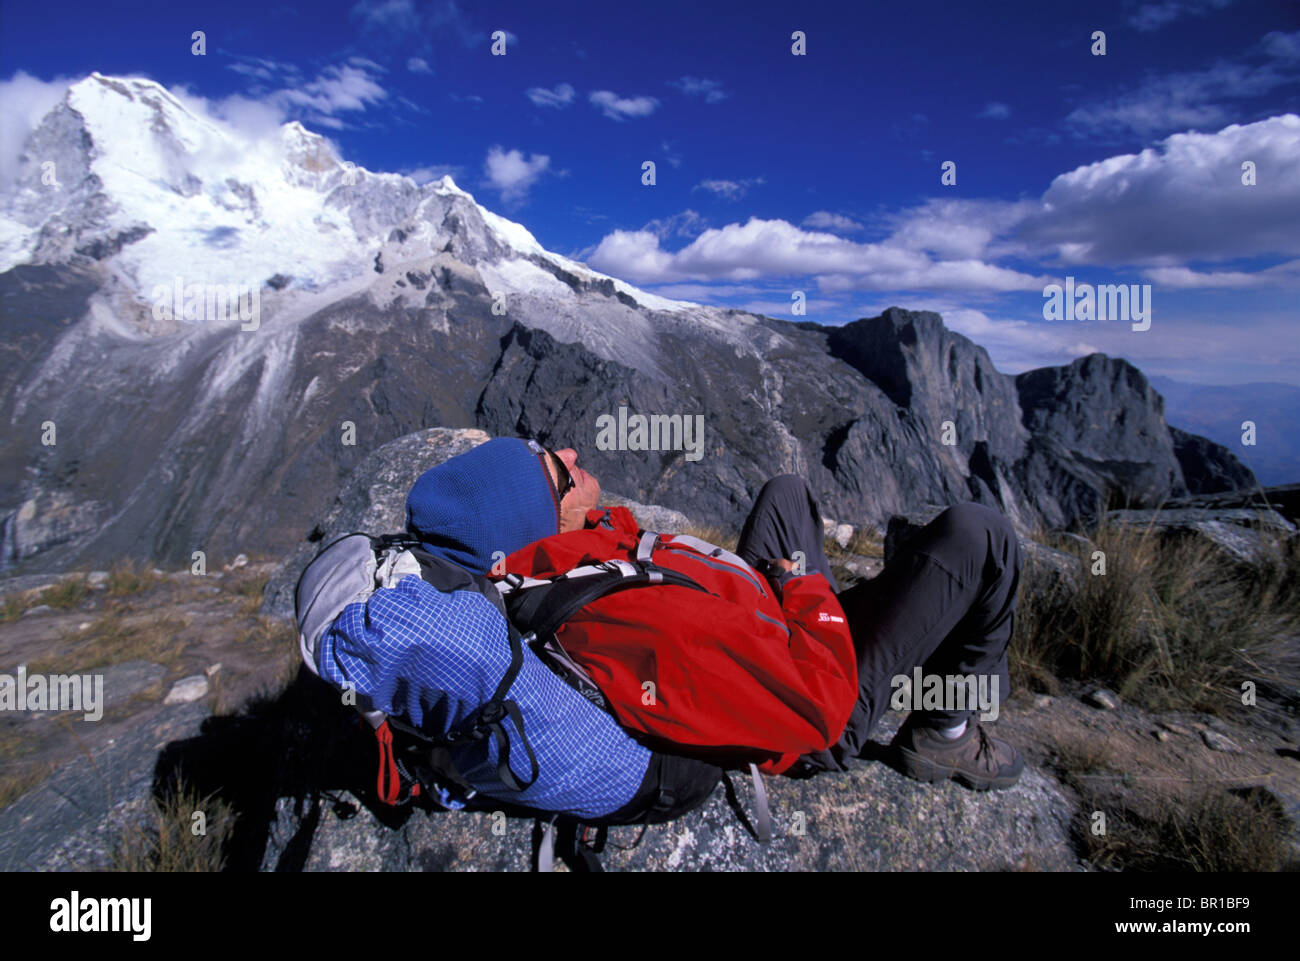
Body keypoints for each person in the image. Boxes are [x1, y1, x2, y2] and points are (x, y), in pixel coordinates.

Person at [407, 437, 1023, 792]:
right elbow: (815, 706)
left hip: (765, 610)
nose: (571, 453)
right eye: (559, 471)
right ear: (553, 518)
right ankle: (944, 736)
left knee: (787, 490)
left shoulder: (572, 554)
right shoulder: (626, 616)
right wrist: (805, 592)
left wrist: (782, 591)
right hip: (819, 688)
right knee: (979, 533)